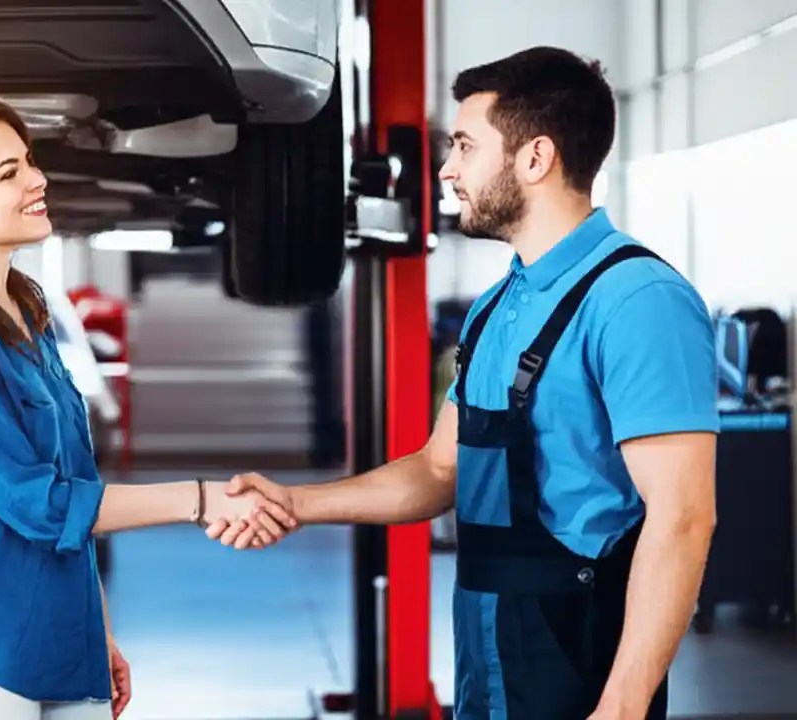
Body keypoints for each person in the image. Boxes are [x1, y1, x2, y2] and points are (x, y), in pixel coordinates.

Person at [215, 46, 719, 720]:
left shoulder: (637, 300)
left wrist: (622, 707)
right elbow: (437, 470)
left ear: (535, 158)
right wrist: (295, 503)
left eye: (464, 146)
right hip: (487, 646)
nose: (447, 170)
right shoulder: (497, 304)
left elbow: (684, 517)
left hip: (579, 659)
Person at [0, 101, 295, 720]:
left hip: (66, 642)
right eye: (9, 173)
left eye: (30, 162)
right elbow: (36, 502)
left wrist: (96, 628)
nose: (37, 179)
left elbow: (76, 487)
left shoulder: (27, 311)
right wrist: (200, 499)